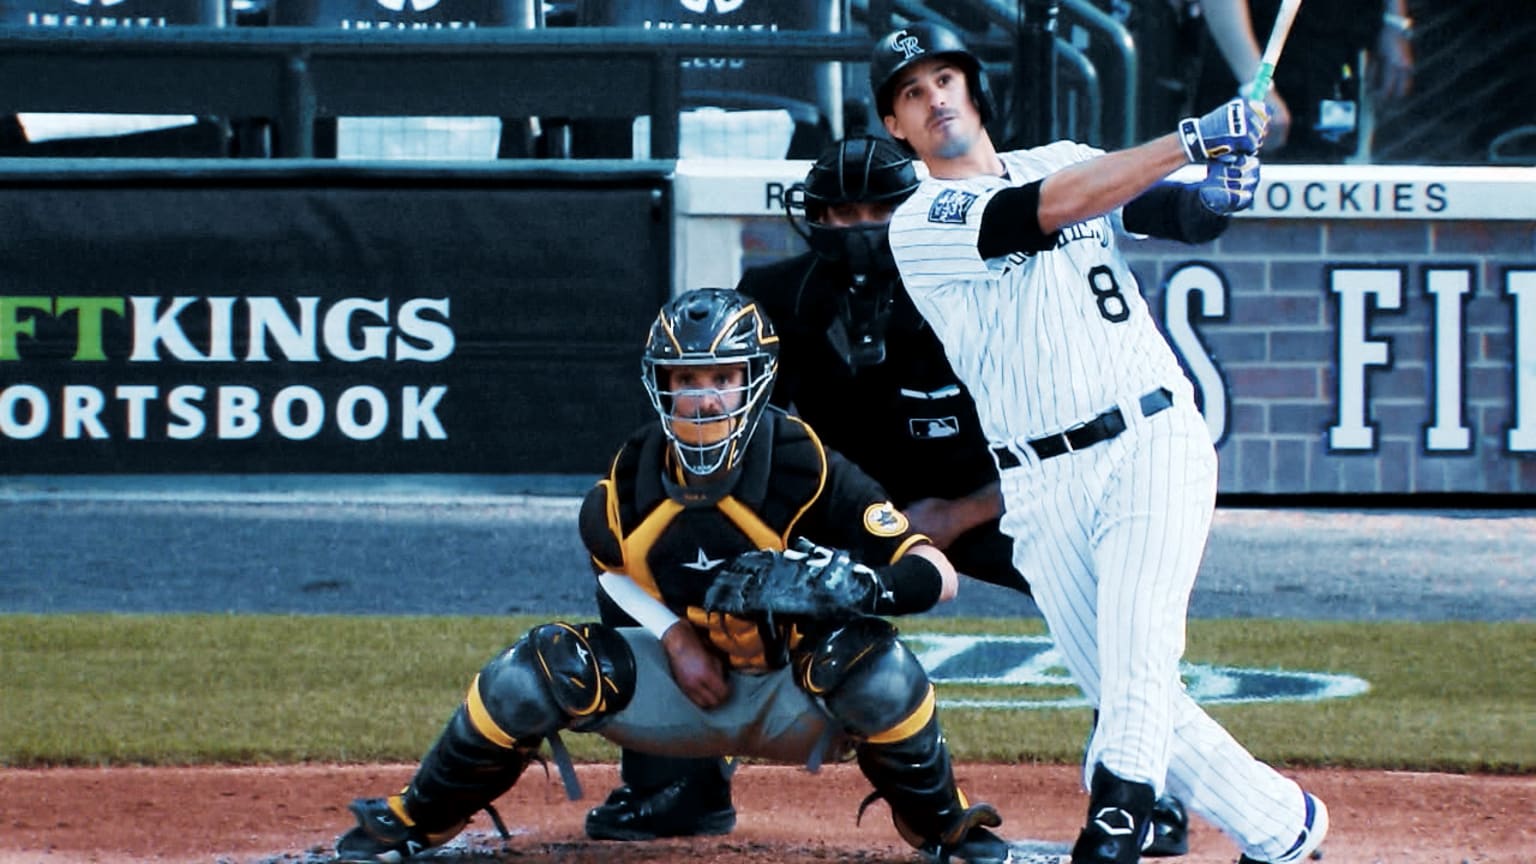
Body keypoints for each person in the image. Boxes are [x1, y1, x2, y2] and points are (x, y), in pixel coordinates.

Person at [585, 137, 1194, 857]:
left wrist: (957, 514)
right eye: (842, 214)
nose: (862, 228)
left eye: (880, 209)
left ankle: (1146, 787)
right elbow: (748, 436)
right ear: (814, 219)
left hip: (999, 494)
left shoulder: (978, 278)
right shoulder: (778, 295)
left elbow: (1053, 429)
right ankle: (678, 784)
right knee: (681, 552)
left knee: (1116, 602)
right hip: (841, 507)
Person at [333, 287, 1018, 864]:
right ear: (661, 385)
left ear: (755, 380)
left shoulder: (803, 463)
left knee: (878, 667)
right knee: (533, 669)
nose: (703, 399)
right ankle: (416, 821)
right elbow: (613, 573)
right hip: (684, 693)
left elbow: (936, 572)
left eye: (722, 378)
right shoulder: (632, 476)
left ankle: (943, 828)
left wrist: (865, 588)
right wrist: (673, 637)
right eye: (686, 380)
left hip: (794, 694)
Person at [869, 20, 1327, 864]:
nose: (934, 98)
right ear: (896, 125)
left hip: (1150, 438)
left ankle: (1111, 833)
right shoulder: (921, 219)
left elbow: (1177, 212)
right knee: (1130, 691)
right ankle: (1287, 827)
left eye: (944, 79)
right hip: (1037, 486)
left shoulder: (1065, 157)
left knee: (1142, 654)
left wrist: (1219, 189)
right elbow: (1044, 211)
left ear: (973, 89)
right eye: (911, 92)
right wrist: (1192, 139)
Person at [1196, 0, 1415, 162]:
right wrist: (1256, 88)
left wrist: (1394, 20)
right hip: (1252, 49)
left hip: (1333, 49)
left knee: (1330, 172)